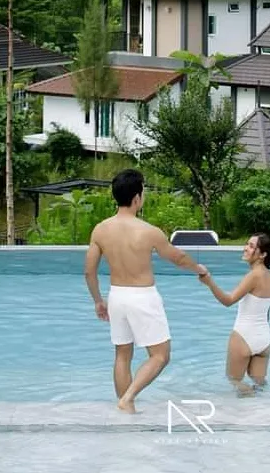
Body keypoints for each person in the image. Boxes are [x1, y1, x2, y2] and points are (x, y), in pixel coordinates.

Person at [84, 167, 207, 413]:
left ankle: (125, 408)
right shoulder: (148, 231)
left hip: (117, 296)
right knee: (160, 355)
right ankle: (128, 398)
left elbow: (89, 271)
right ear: (137, 197)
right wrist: (198, 268)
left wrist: (98, 300)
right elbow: (177, 257)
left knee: (122, 355)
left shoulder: (100, 229)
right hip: (142, 296)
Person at [198, 232, 270, 395]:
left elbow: (228, 301)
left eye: (251, 246)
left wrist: (209, 282)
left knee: (234, 380)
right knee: (260, 384)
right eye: (247, 244)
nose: (245, 248)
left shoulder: (253, 276)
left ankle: (246, 406)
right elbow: (266, 312)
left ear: (262, 254)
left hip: (244, 336)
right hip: (264, 339)